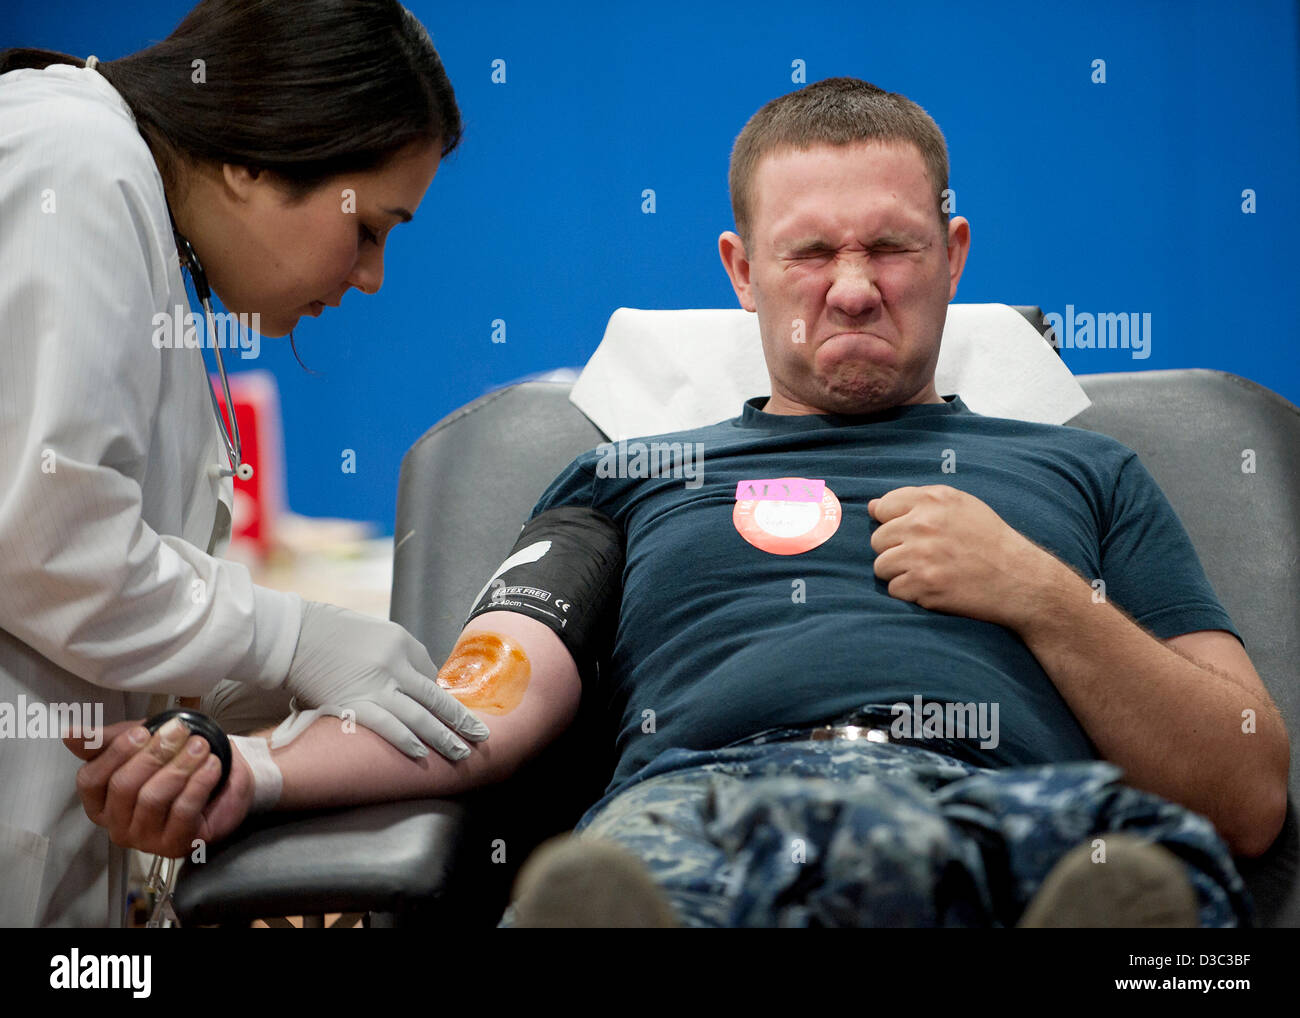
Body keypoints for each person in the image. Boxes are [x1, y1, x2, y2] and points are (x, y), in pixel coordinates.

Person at [67, 77, 1289, 928]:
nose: (854, 289)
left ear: (955, 257)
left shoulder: (1084, 472)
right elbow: (478, 706)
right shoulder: (625, 477)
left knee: (1156, 874)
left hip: (1011, 801)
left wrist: (1043, 596)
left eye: (895, 248)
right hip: (708, 805)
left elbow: (1246, 788)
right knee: (613, 883)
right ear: (740, 270)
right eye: (811, 253)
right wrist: (254, 772)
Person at [0, 0, 490, 928]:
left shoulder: (127, 208)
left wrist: (250, 687)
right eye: (372, 228)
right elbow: (44, 540)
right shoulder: (69, 161)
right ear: (252, 157)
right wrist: (290, 639)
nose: (371, 276)